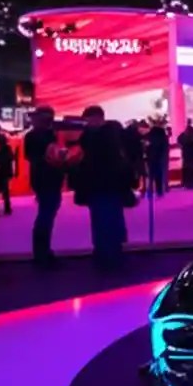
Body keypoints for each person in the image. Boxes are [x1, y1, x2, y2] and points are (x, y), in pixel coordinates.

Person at [73, 106, 131, 270]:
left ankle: (106, 254)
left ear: (96, 118)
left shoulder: (94, 137)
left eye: (88, 119)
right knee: (110, 219)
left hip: (100, 184)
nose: (87, 123)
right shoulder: (113, 134)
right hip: (110, 185)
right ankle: (112, 252)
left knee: (102, 220)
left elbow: (90, 161)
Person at [23, 107, 66, 265]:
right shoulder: (50, 136)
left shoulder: (32, 136)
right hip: (49, 179)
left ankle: (42, 252)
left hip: (41, 179)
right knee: (46, 217)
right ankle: (42, 253)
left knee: (45, 215)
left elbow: (29, 156)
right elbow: (58, 156)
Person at [0, 129, 15, 215]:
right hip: (4, 173)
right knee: (5, 191)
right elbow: (11, 160)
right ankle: (7, 208)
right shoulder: (7, 150)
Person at [145, 123, 170, 197]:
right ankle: (160, 191)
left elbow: (147, 148)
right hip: (160, 158)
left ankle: (150, 190)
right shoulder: (163, 137)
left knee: (151, 175)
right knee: (159, 175)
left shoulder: (150, 137)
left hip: (151, 158)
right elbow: (165, 148)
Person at [178, 120, 193, 189]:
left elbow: (179, 140)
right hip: (191, 155)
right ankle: (191, 183)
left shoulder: (184, 136)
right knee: (191, 169)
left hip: (186, 154)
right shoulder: (192, 136)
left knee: (187, 169)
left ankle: (186, 183)